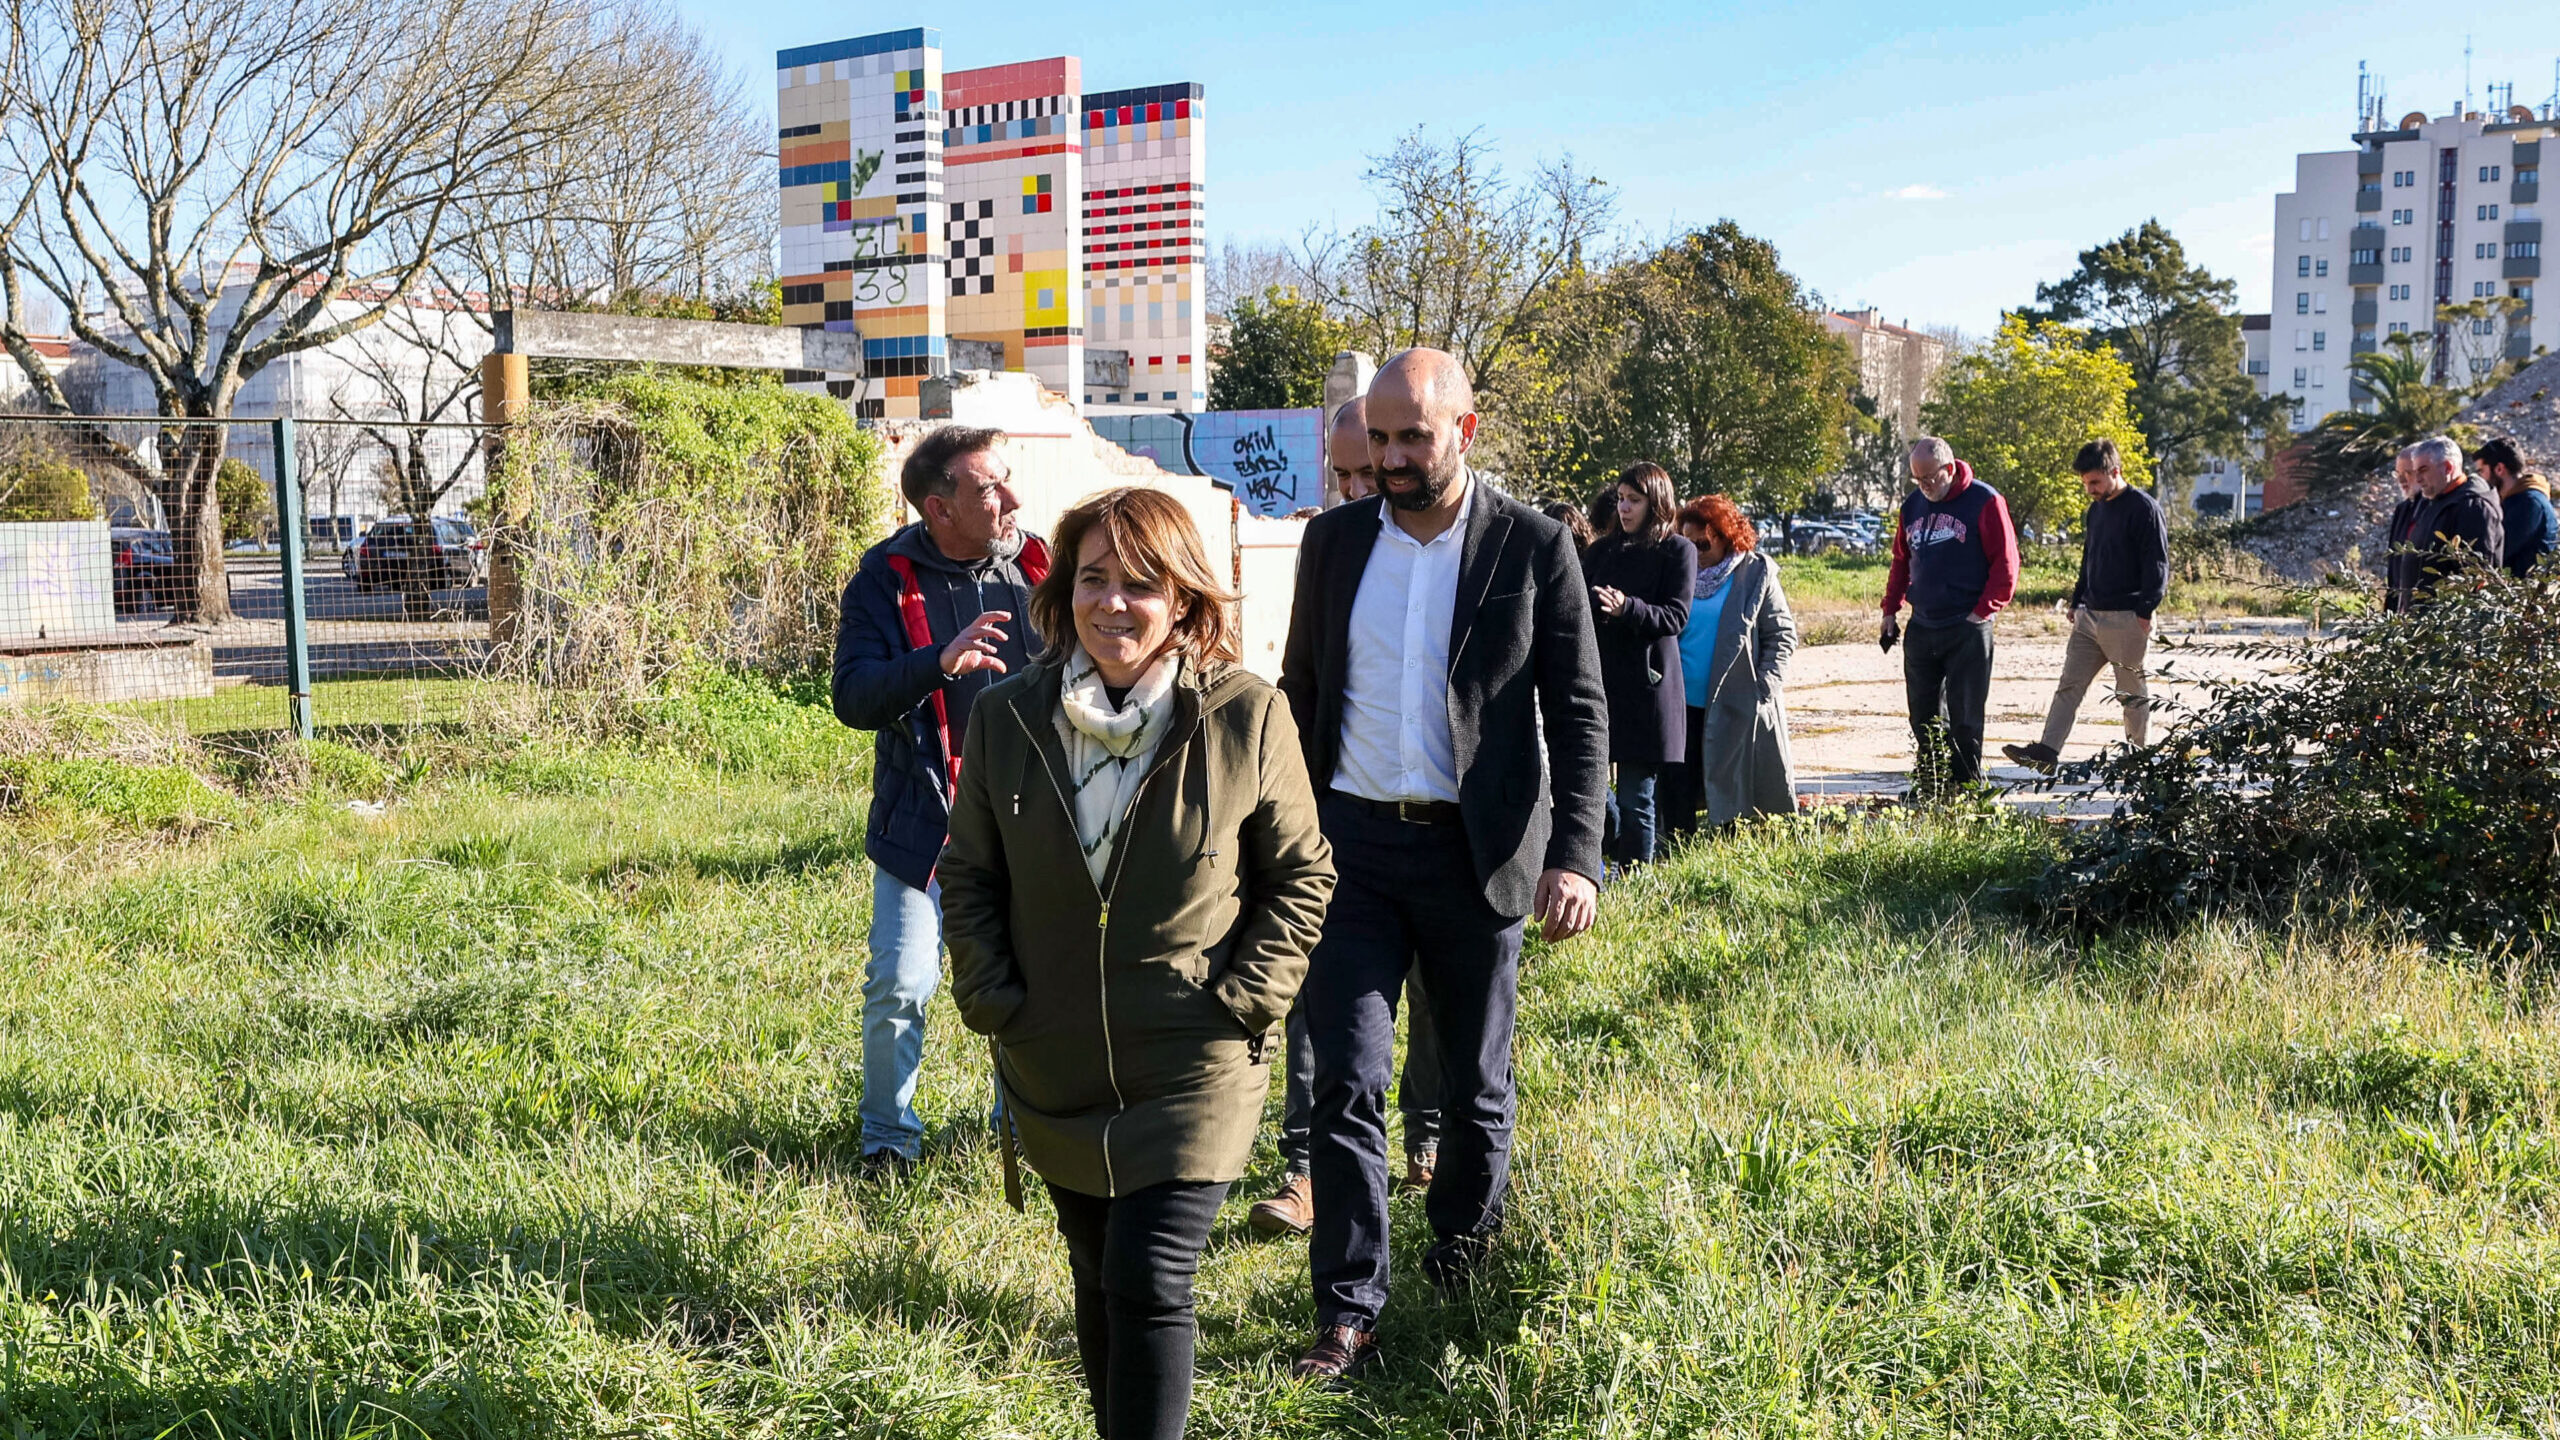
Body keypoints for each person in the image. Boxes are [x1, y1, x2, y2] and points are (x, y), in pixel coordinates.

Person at [940, 486, 1335, 1440]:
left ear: (1186, 600)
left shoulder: (1245, 716)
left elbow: (1303, 875)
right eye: (1093, 579)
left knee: (1149, 1275)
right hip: (1054, 1061)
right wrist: (995, 999)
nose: (1113, 603)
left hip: (1195, 1064)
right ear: (1062, 590)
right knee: (1094, 1269)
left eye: (1141, 583)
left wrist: (1245, 1001)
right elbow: (967, 872)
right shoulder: (1007, 717)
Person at [1277, 347, 1607, 1381]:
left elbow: (1579, 709)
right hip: (1351, 853)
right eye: (1376, 438)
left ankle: (1461, 1268)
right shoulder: (1332, 545)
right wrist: (1276, 834)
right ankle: (1349, 1311)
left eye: (1412, 436)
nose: (1389, 458)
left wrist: (1577, 856)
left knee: (1470, 1087)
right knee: (1347, 1082)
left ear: (1465, 429)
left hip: (1480, 853)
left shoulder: (1533, 544)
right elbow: (1297, 693)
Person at [1251, 398, 1445, 1240]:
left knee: (1435, 995)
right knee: (1316, 1003)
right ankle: (1304, 1171)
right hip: (1339, 822)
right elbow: (1302, 681)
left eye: (1377, 467)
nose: (1367, 484)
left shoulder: (1466, 545)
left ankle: (1430, 1142)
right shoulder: (1328, 547)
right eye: (1350, 472)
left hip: (1445, 831)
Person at [831, 426, 1046, 1178]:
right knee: (900, 981)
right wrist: (937, 662)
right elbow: (853, 697)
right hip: (925, 825)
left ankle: (1021, 1129)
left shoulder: (1039, 567)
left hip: (1028, 827)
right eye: (990, 488)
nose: (1012, 500)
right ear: (939, 507)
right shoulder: (884, 578)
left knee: (1025, 984)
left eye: (1008, 480)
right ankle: (888, 1142)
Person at [2003, 439, 2169, 774]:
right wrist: (2078, 600)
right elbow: (2089, 559)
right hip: (2089, 617)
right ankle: (2046, 752)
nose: (2089, 490)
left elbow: (2158, 564)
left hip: (2127, 618)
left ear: (2115, 472)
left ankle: (2137, 760)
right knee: (2069, 685)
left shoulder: (2144, 508)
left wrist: (2145, 611)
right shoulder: (2096, 510)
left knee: (2130, 693)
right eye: (2085, 483)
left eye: (2094, 482)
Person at [1880, 437, 2018, 795]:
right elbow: (1901, 561)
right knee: (1923, 714)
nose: (1925, 486)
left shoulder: (1985, 501)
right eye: (1918, 480)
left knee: (1965, 716)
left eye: (1930, 478)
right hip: (1923, 623)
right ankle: (1932, 781)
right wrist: (1890, 610)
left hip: (1967, 625)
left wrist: (1982, 612)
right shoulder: (1912, 507)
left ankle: (1967, 786)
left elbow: (2006, 563)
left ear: (1950, 469)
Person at [1661, 494, 1796, 837]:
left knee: (1734, 794)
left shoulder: (1755, 573)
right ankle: (1677, 855)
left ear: (1726, 537)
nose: (1696, 554)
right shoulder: (1678, 573)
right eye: (1688, 545)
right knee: (1678, 788)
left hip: (1736, 704)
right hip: (1682, 702)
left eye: (1703, 544)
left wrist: (1762, 689)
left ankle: (1728, 856)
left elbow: (1782, 635)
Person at [1582, 462, 1696, 865]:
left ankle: (1635, 885)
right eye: (1620, 499)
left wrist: (1626, 607)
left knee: (1636, 799)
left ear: (1657, 502)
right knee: (1592, 792)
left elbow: (1675, 617)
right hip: (1601, 689)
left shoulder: (1677, 550)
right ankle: (1605, 866)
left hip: (1649, 691)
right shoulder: (1601, 551)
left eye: (1634, 500)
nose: (1624, 508)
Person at [2392, 435, 2505, 610]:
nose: (2418, 478)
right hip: (2422, 625)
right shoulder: (2435, 500)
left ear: (2447, 467)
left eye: (2423, 470)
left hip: (2446, 628)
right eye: (2415, 471)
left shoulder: (2473, 507)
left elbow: (2477, 578)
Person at [2476, 437, 2557, 580]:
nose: (2480, 478)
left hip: (2528, 596)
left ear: (2499, 469)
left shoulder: (2529, 503)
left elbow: (2498, 552)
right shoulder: (2515, 499)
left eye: (2482, 471)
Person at [2383, 445, 2424, 614]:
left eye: (2407, 473)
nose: (2401, 481)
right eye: (2398, 475)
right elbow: (2394, 566)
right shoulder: (2403, 509)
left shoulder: (2436, 509)